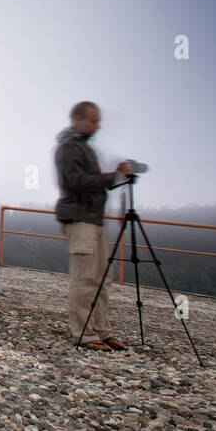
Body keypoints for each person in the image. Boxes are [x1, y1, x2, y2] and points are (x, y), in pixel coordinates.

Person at [55, 101, 133, 352]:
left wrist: (115, 177)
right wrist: (112, 176)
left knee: (101, 278)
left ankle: (102, 330)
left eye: (98, 121)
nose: (97, 125)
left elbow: (90, 181)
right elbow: (76, 182)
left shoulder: (84, 148)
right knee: (85, 278)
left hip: (94, 219)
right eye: (92, 120)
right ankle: (84, 334)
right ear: (77, 119)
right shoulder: (68, 148)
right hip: (80, 220)